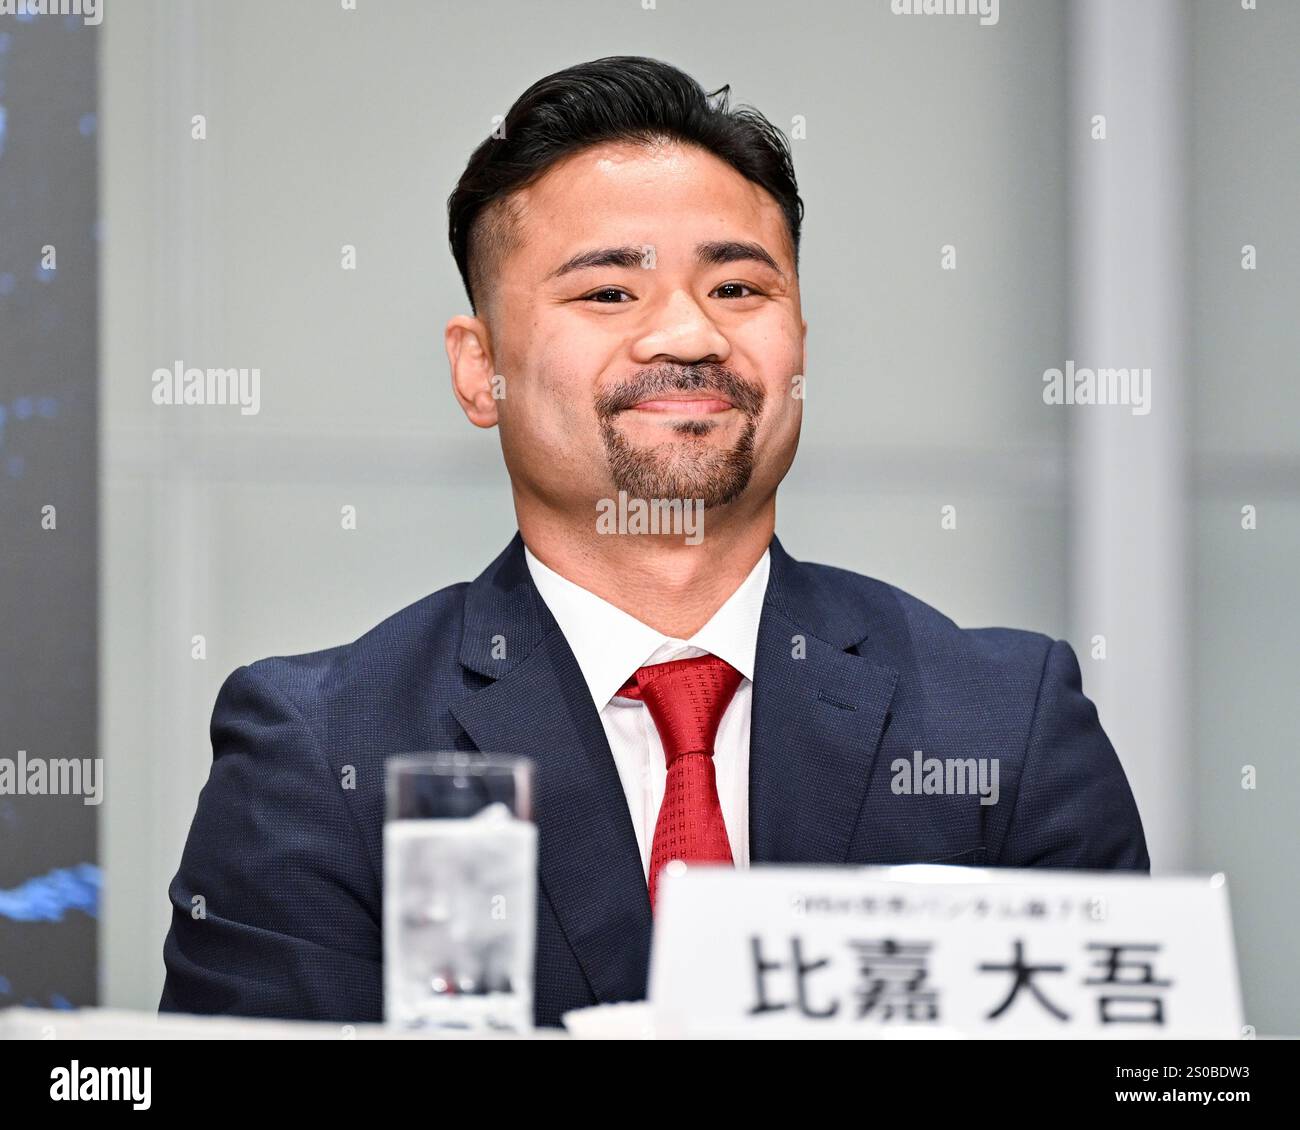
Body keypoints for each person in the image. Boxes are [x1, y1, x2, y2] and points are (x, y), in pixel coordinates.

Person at [160, 56, 1148, 1029]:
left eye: (738, 290)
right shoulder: (322, 749)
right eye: (607, 294)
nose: (686, 334)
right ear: (479, 369)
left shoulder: (1003, 724)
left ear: (799, 340)